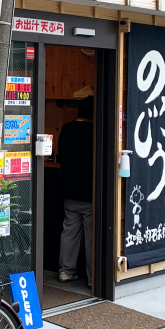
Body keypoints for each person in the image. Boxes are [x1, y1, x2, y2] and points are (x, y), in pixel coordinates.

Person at [57, 96, 93, 285]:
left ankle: (66, 271)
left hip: (69, 189)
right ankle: (92, 277)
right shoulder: (93, 131)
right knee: (91, 235)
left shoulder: (66, 129)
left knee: (69, 231)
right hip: (89, 192)